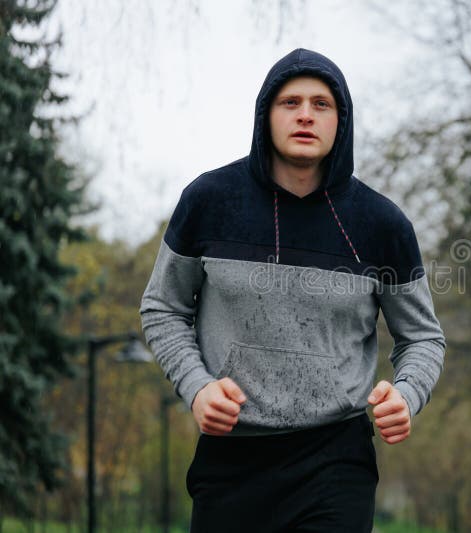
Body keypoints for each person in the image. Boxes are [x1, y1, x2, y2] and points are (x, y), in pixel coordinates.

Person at [139, 48, 446, 532]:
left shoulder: (381, 224)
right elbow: (163, 308)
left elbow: (423, 338)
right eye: (290, 103)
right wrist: (196, 389)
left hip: (335, 460)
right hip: (232, 460)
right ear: (265, 115)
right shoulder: (208, 202)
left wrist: (406, 395)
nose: (306, 114)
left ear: (341, 121)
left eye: (322, 104)